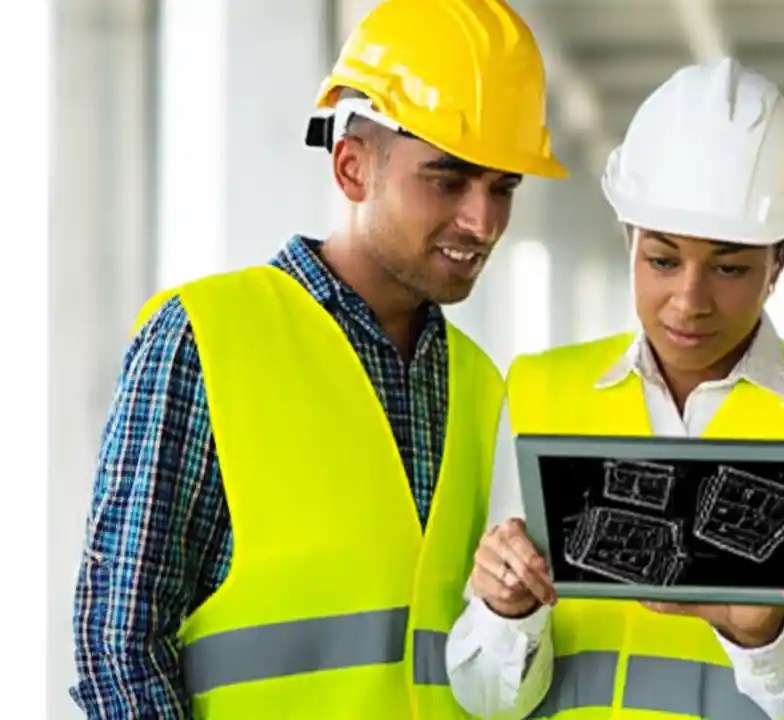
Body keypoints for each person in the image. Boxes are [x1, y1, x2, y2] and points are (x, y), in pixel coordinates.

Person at [68, 1, 566, 717]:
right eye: (448, 180)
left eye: (503, 188)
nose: (482, 222)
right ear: (352, 167)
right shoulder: (204, 338)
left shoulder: (483, 386)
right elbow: (118, 646)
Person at [443, 57, 784, 719]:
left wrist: (763, 633)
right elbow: (488, 704)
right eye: (662, 259)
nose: (690, 300)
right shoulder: (542, 394)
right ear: (629, 240)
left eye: (730, 266)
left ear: (779, 262)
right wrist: (504, 611)